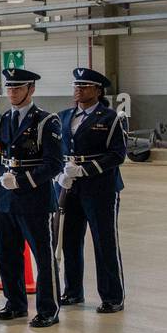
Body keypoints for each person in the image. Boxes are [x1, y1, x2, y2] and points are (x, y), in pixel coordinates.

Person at [0, 68, 63, 327]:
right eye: (9, 88)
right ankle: (15, 303)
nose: (12, 92)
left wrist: (22, 180)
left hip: (34, 200)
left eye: (18, 88)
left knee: (43, 257)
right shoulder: (0, 120)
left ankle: (48, 309)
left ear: (31, 89)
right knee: (6, 256)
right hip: (5, 200)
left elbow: (54, 163)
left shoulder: (46, 121)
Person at [56, 67, 127, 313]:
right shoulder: (64, 116)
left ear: (97, 90)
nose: (79, 90)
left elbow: (118, 154)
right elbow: (56, 151)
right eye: (77, 85)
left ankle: (112, 297)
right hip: (69, 188)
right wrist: (60, 173)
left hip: (101, 189)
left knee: (104, 241)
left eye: (84, 86)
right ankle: (73, 291)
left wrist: (85, 170)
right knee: (69, 242)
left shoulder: (111, 118)